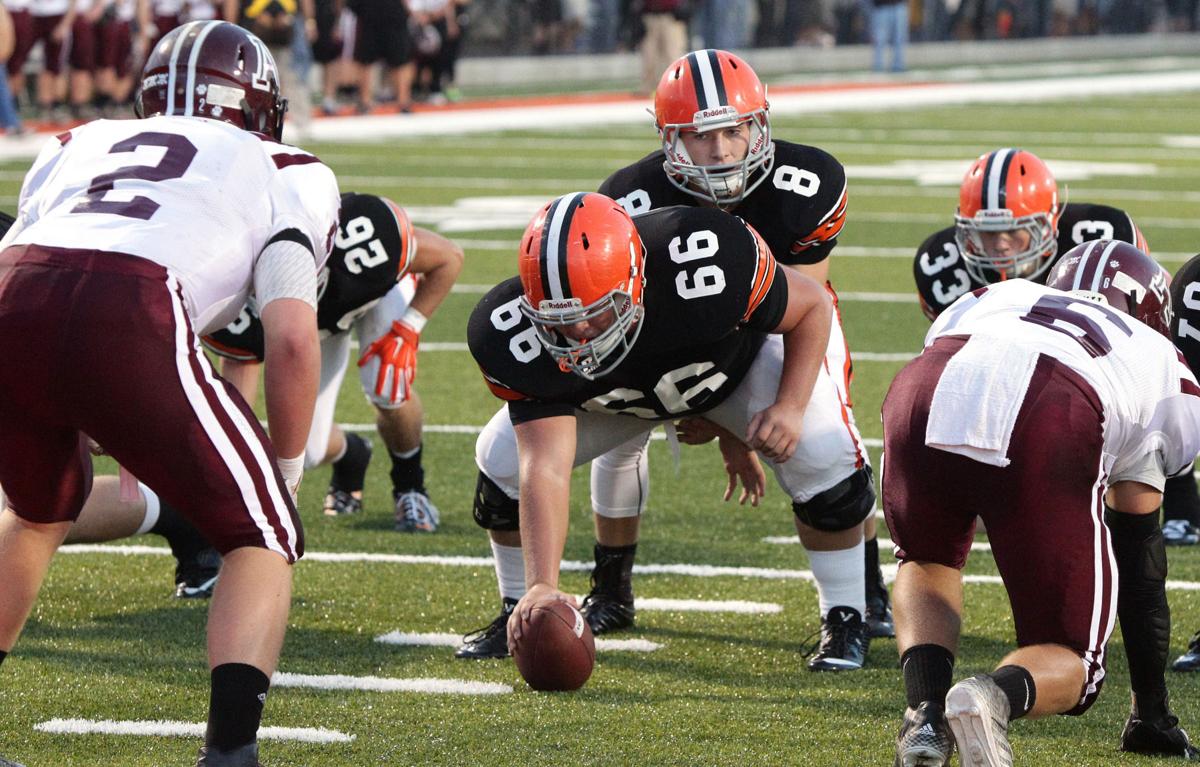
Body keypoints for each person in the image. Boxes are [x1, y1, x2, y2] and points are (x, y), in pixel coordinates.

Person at [456, 50, 882, 673]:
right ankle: (526, 604)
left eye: (732, 129)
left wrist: (758, 417)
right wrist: (547, 588)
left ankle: (850, 609)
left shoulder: (716, 256)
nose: (718, 149)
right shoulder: (532, 313)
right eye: (559, 317)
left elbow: (805, 308)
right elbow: (541, 466)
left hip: (744, 339)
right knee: (498, 464)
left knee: (821, 450)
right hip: (637, 376)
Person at [0, 20, 339, 767]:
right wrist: (281, 476)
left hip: (14, 293)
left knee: (35, 511)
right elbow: (287, 335)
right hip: (133, 306)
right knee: (263, 535)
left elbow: (36, 267)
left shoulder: (79, 139)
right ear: (257, 105)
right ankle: (229, 754)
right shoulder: (287, 166)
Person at [886, 241, 1200, 766]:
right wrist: (1153, 711)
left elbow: (943, 352)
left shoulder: (999, 292)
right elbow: (1138, 560)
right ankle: (992, 698)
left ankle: (924, 718)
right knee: (1075, 657)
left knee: (928, 557)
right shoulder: (1159, 359)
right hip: (1055, 400)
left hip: (922, 388)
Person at [913, 147, 1200, 547]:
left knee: (1151, 400)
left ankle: (1183, 501)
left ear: (1050, 222)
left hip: (1096, 347)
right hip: (1009, 349)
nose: (1001, 246)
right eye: (985, 234)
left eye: (1015, 231)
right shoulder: (939, 266)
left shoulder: (1102, 231)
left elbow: (1147, 321)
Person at [204, 191, 463, 532]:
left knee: (386, 382)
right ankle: (352, 454)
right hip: (313, 328)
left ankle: (410, 487)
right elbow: (238, 408)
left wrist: (407, 329)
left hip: (374, 295)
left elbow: (449, 258)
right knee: (305, 451)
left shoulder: (361, 237)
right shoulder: (234, 300)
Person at [869, 0, 907, 72]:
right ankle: (878, 66)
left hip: (899, 5)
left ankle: (898, 65)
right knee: (880, 39)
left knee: (900, 38)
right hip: (881, 7)